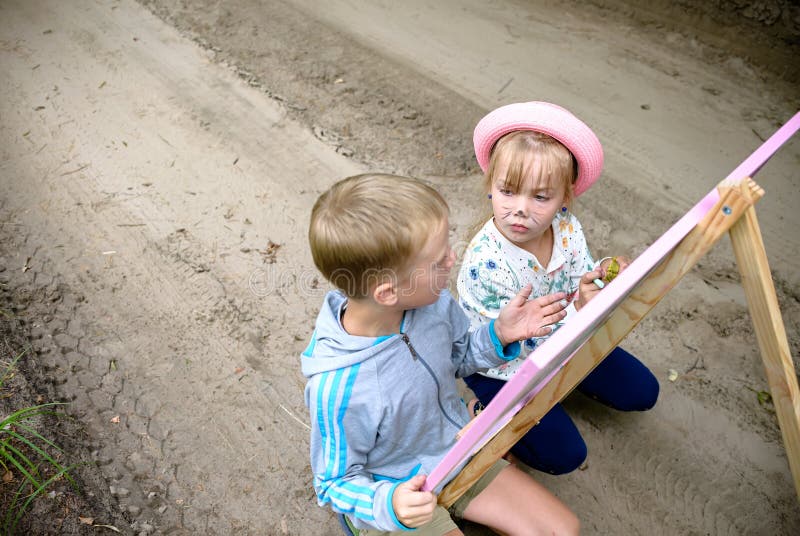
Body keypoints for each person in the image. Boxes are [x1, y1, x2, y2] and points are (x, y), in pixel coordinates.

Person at [303, 173, 579, 536]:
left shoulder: (431, 304)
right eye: (437, 262)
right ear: (388, 293)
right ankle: (365, 526)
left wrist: (499, 334)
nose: (452, 260)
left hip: (451, 451)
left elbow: (457, 357)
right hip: (400, 490)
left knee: (564, 530)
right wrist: (389, 503)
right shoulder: (337, 389)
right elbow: (334, 481)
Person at [457, 101, 660, 475]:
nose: (520, 209)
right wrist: (582, 313)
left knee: (644, 391)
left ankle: (570, 386)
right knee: (564, 455)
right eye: (508, 191)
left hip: (567, 339)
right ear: (491, 184)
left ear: (564, 198)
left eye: (540, 196)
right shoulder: (486, 264)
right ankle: (481, 412)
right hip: (505, 366)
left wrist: (598, 281)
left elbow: (580, 277)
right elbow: (526, 348)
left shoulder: (566, 227)